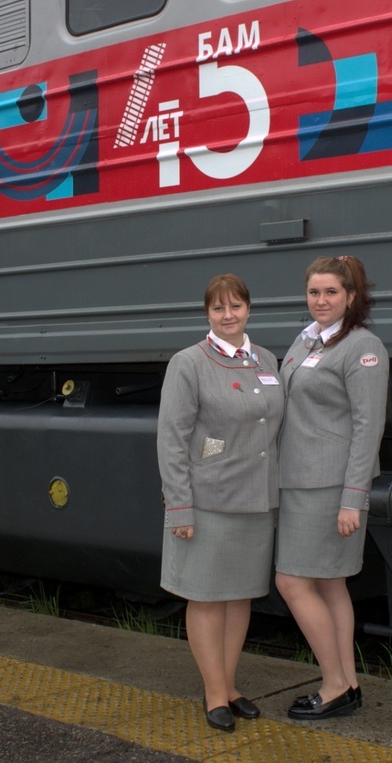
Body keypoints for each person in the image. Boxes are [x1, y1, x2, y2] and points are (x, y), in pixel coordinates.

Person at [157, 273, 284, 733]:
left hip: (255, 499)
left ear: (249, 309)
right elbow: (171, 440)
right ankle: (214, 693)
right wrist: (179, 507)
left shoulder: (266, 359)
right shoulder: (188, 363)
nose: (228, 316)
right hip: (209, 500)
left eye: (236, 306)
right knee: (208, 598)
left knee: (240, 596)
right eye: (218, 308)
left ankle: (230, 685)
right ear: (207, 314)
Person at [276, 255, 389, 720]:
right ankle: (349, 682)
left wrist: (353, 499)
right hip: (300, 479)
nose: (321, 301)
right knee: (330, 583)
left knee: (291, 581)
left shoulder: (364, 347)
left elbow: (369, 427)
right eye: (314, 292)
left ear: (352, 297)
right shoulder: (307, 340)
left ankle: (332, 684)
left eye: (331, 293)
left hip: (327, 486)